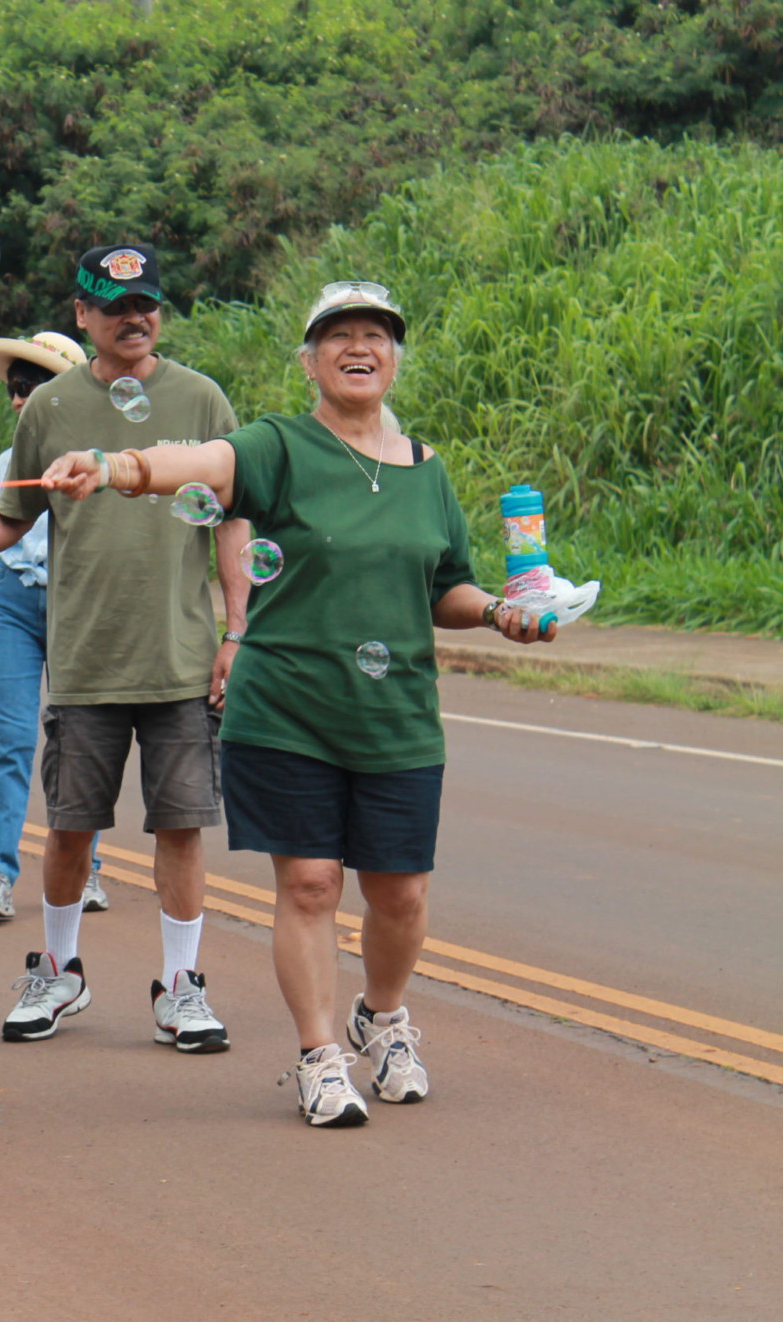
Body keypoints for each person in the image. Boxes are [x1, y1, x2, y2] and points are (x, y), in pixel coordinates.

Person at [40, 280, 560, 1125]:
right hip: (287, 709)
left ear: (394, 357)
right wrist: (119, 467)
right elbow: (201, 464)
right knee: (312, 884)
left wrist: (503, 613)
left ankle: (381, 1019)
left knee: (401, 895)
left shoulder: (428, 472)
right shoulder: (280, 446)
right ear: (311, 360)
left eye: (377, 336)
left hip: (395, 714)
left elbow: (448, 587)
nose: (361, 348)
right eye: (340, 336)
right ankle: (320, 1053)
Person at [0, 244, 248, 1052]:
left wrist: (236, 631)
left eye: (146, 304)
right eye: (113, 306)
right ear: (82, 315)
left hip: (177, 652)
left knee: (181, 826)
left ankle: (183, 985)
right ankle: (60, 971)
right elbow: (13, 513)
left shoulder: (203, 400)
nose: (133, 319)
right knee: (71, 826)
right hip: (85, 657)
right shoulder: (51, 409)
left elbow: (237, 516)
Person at [0, 331, 105, 921]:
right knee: (11, 743)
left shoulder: (105, 463)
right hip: (13, 603)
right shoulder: (9, 461)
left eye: (33, 386)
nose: (20, 400)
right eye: (14, 389)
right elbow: (1, 527)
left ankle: (86, 872)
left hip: (80, 607)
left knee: (81, 745)